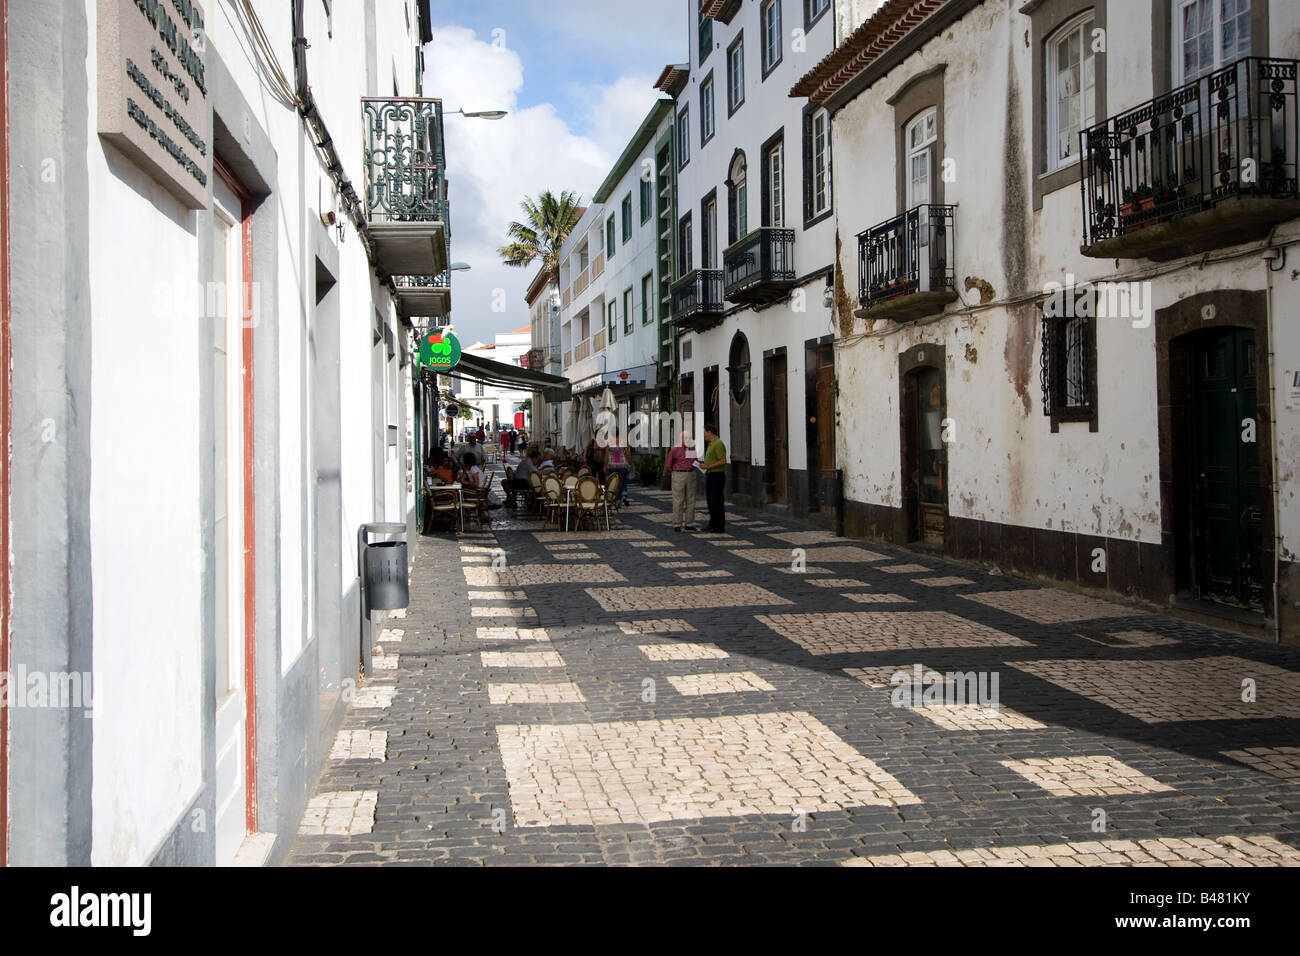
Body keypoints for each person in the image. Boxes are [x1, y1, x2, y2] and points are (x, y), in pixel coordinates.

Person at [664, 430, 699, 531]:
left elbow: (694, 462)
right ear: (681, 439)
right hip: (678, 474)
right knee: (678, 500)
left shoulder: (691, 448)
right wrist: (676, 472)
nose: (688, 439)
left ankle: (689, 524)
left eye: (689, 437)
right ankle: (677, 524)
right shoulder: (675, 449)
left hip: (691, 474)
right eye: (685, 438)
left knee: (691, 499)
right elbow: (668, 465)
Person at [701, 423, 727, 533]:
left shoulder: (718, 443)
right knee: (711, 501)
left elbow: (723, 461)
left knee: (717, 501)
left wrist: (708, 466)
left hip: (717, 475)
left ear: (710, 432)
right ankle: (712, 523)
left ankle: (719, 526)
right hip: (710, 475)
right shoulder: (711, 444)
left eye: (704, 433)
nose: (703, 435)